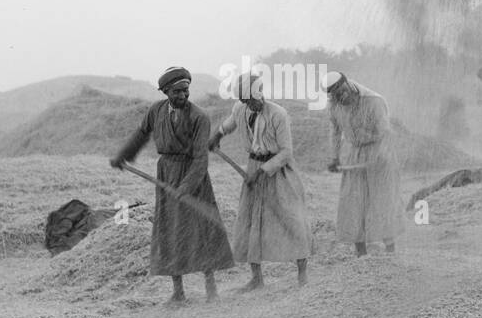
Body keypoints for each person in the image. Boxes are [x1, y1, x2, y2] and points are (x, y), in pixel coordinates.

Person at [110, 66, 234, 302]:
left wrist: (186, 188)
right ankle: (178, 291)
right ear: (166, 91)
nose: (183, 96)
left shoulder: (200, 117)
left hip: (193, 177)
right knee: (172, 231)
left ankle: (211, 288)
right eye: (177, 92)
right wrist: (122, 156)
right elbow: (140, 135)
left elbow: (201, 158)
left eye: (186, 91)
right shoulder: (156, 111)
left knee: (201, 230)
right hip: (166, 172)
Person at [209, 73, 313, 290]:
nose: (249, 105)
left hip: (279, 171)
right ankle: (257, 278)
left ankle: (302, 274)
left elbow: (286, 152)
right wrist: (217, 136)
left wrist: (263, 171)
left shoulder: (278, 114)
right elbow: (229, 124)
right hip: (254, 167)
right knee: (250, 220)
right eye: (245, 102)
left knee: (289, 217)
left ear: (259, 94)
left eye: (251, 100)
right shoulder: (241, 108)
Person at [323, 71, 403, 255]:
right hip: (355, 153)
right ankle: (361, 254)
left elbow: (386, 132)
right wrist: (335, 157)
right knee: (353, 202)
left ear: (348, 84)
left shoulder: (374, 101)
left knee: (382, 200)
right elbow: (335, 131)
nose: (341, 97)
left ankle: (391, 252)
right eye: (336, 95)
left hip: (379, 152)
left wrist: (380, 155)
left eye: (342, 91)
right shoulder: (334, 106)